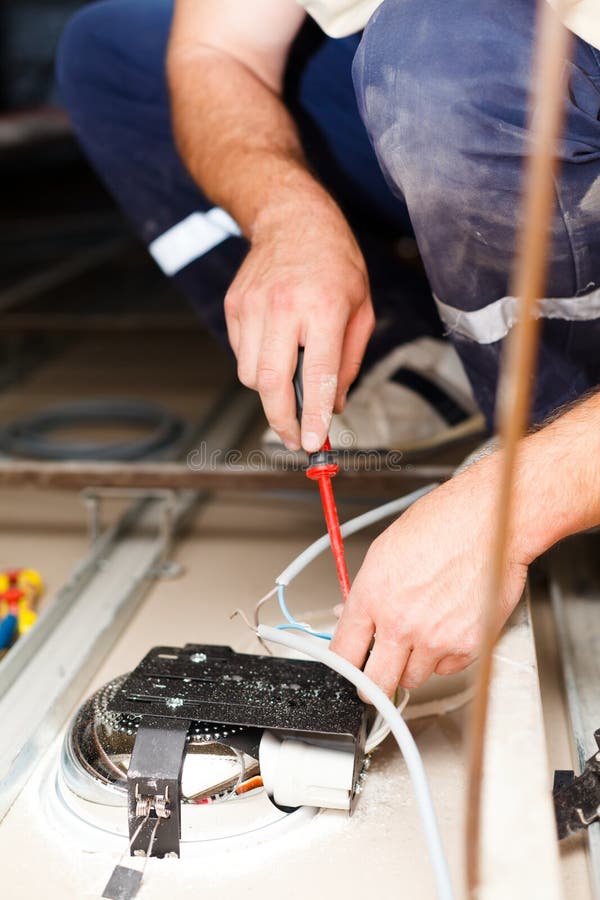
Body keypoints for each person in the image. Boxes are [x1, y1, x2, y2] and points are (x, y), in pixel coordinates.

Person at [57, 0, 600, 695]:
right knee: (113, 51)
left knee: (444, 50)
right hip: (439, 82)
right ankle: (407, 359)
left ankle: (557, 407)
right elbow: (213, 53)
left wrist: (517, 502)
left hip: (506, 82)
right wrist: (286, 216)